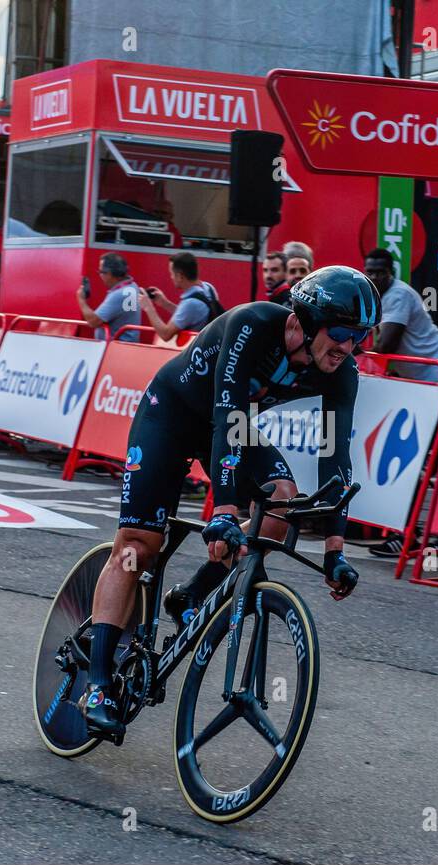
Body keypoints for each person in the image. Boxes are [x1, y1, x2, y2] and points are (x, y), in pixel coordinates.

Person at [77, 266, 380, 737]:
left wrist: (335, 551)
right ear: (303, 320)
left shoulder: (341, 373)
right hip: (173, 417)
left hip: (231, 429)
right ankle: (95, 685)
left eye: (359, 337)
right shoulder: (252, 325)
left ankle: (194, 593)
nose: (347, 347)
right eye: (339, 333)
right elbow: (228, 413)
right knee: (140, 544)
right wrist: (224, 510)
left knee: (284, 500)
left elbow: (335, 456)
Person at [364, 248, 438, 385]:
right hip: (429, 376)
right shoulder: (378, 295)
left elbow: (385, 346)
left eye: (380, 272)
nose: (374, 278)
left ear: (391, 273)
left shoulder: (398, 294)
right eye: (370, 273)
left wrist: (359, 355)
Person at [140, 251, 221, 340]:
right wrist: (165, 303)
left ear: (179, 276)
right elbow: (188, 316)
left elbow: (165, 334)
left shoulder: (191, 303)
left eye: (171, 273)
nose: (171, 277)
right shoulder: (209, 288)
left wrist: (149, 308)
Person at [77, 251, 141, 343]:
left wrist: (81, 300)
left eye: (101, 272)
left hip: (116, 350)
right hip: (126, 347)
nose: (100, 275)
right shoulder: (132, 286)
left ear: (111, 273)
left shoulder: (119, 294)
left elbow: (93, 321)